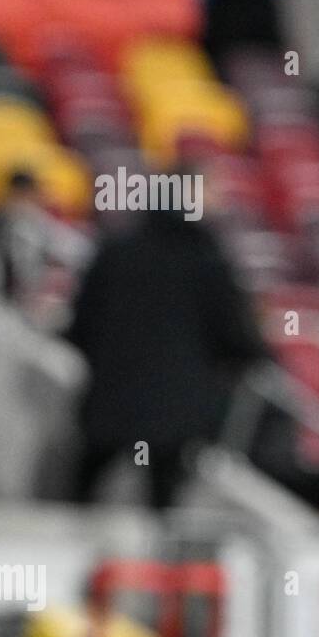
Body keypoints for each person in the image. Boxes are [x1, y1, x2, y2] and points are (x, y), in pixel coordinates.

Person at [64, 196, 270, 510]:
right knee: (163, 496)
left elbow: (81, 324)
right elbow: (235, 337)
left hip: (112, 398)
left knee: (87, 478)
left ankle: (70, 539)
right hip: (176, 409)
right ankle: (162, 556)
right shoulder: (206, 260)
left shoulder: (116, 250)